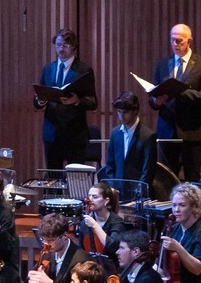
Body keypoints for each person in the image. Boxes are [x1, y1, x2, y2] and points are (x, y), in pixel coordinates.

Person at [153, 24, 201, 184]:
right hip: (167, 130)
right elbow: (153, 95)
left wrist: (182, 90)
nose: (175, 44)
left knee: (192, 179)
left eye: (179, 41)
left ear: (189, 41)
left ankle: (193, 210)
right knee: (167, 179)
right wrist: (155, 101)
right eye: (172, 40)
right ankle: (169, 209)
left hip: (191, 131)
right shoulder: (162, 64)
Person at [35, 30, 97, 171]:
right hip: (52, 134)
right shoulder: (48, 69)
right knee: (52, 179)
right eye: (58, 45)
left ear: (74, 47)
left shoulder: (84, 70)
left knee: (76, 181)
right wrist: (40, 101)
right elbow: (39, 97)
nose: (61, 49)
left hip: (74, 135)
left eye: (65, 46)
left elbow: (93, 102)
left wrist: (76, 101)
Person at [99, 94, 154, 192]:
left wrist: (139, 191)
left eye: (125, 112)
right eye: (119, 112)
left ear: (135, 111)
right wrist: (112, 187)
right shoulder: (115, 133)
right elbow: (110, 165)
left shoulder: (148, 135)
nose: (121, 116)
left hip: (138, 192)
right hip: (117, 190)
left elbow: (148, 170)